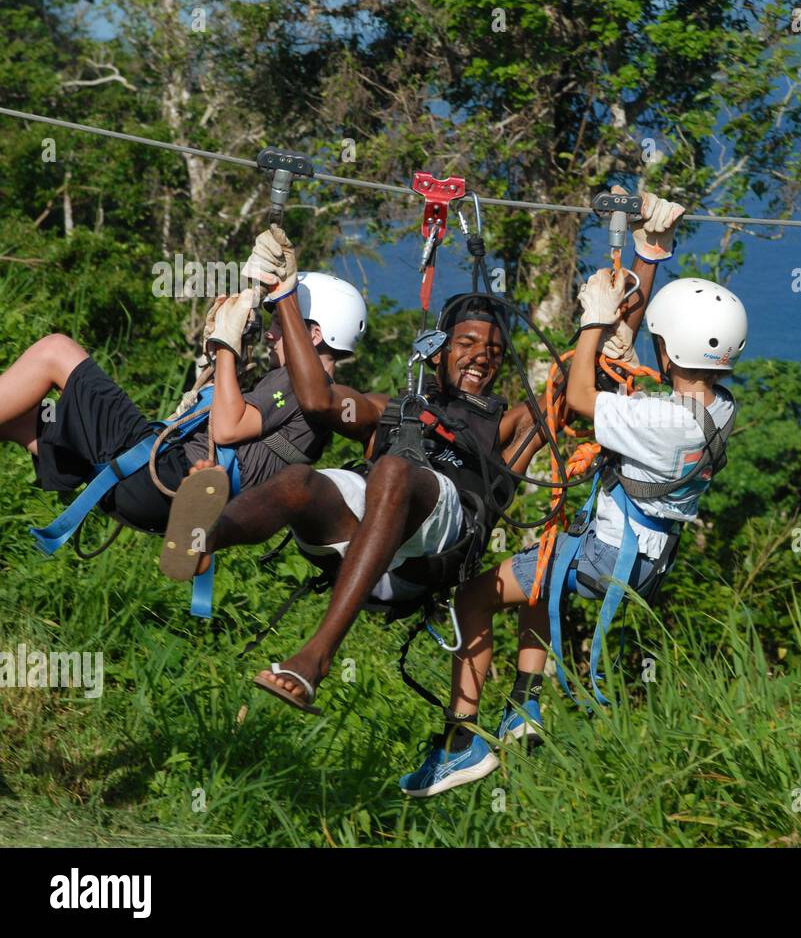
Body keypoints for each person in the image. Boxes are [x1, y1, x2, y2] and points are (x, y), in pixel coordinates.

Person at [398, 198, 749, 799]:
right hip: (641, 558)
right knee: (542, 570)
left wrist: (593, 321)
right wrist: (647, 256)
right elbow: (647, 359)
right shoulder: (714, 411)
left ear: (667, 351)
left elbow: (584, 397)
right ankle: (526, 709)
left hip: (607, 555)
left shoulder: (664, 420)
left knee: (475, 598)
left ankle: (461, 743)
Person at [161, 226, 563, 714]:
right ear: (438, 351)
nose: (481, 357)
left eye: (494, 352)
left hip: (434, 546)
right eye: (467, 344)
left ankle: (315, 659)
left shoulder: (506, 422)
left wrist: (635, 279)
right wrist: (285, 296)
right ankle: (206, 539)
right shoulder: (389, 409)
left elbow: (573, 388)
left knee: (394, 470)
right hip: (368, 531)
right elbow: (316, 397)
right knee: (300, 482)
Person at [0, 258, 365, 541]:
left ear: (313, 335)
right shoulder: (317, 406)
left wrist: (226, 346)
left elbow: (226, 429)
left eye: (279, 326)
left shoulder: (302, 382)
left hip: (162, 476)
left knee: (55, 351)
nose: (270, 336)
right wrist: (221, 356)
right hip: (156, 498)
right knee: (20, 420)